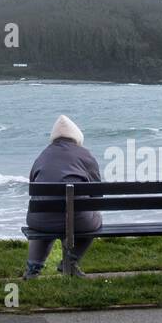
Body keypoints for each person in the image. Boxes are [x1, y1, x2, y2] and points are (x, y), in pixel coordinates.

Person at [23, 114, 102, 278]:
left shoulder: (42, 156)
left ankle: (33, 269)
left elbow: (33, 186)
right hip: (79, 222)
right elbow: (97, 194)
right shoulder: (85, 155)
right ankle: (70, 262)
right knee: (94, 220)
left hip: (41, 220)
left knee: (46, 218)